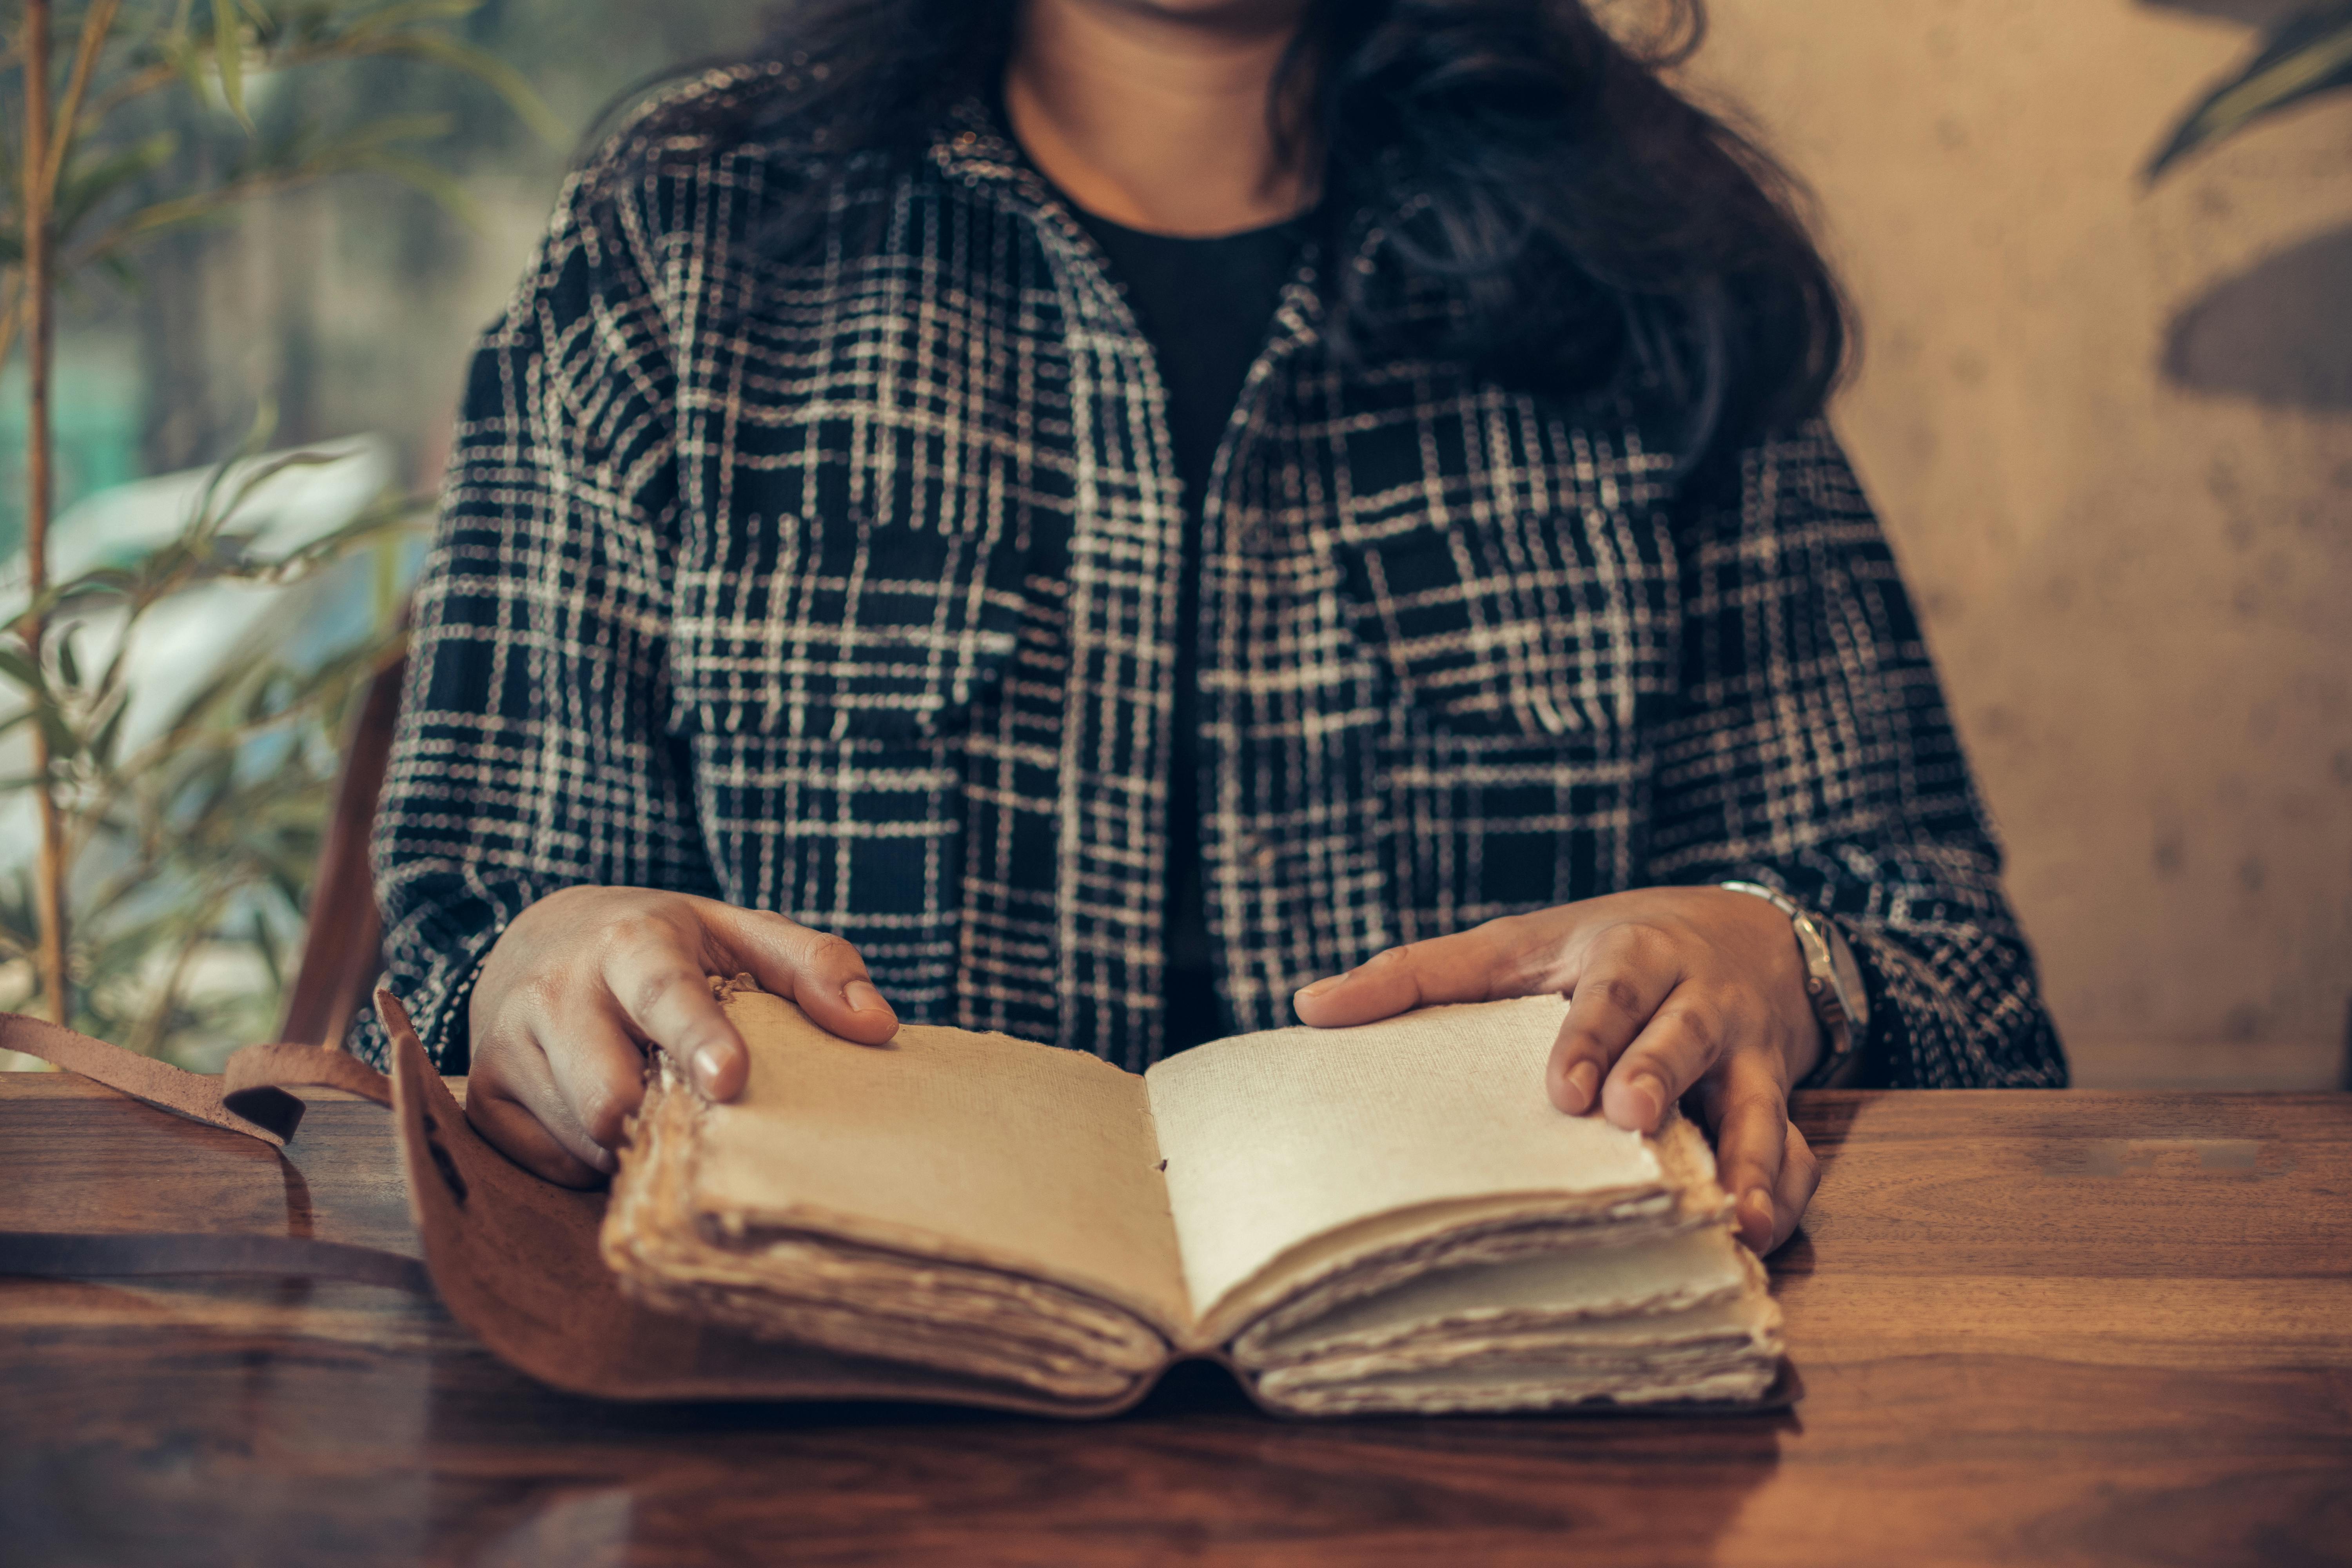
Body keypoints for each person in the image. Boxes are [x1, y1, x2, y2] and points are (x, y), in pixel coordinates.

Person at [352, 0, 2067, 1255]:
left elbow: (1963, 981)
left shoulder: (1643, 273)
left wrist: (1776, 955)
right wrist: (526, 976)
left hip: (1526, 1433)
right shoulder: (677, 254)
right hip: (814, 1435)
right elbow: (437, 963)